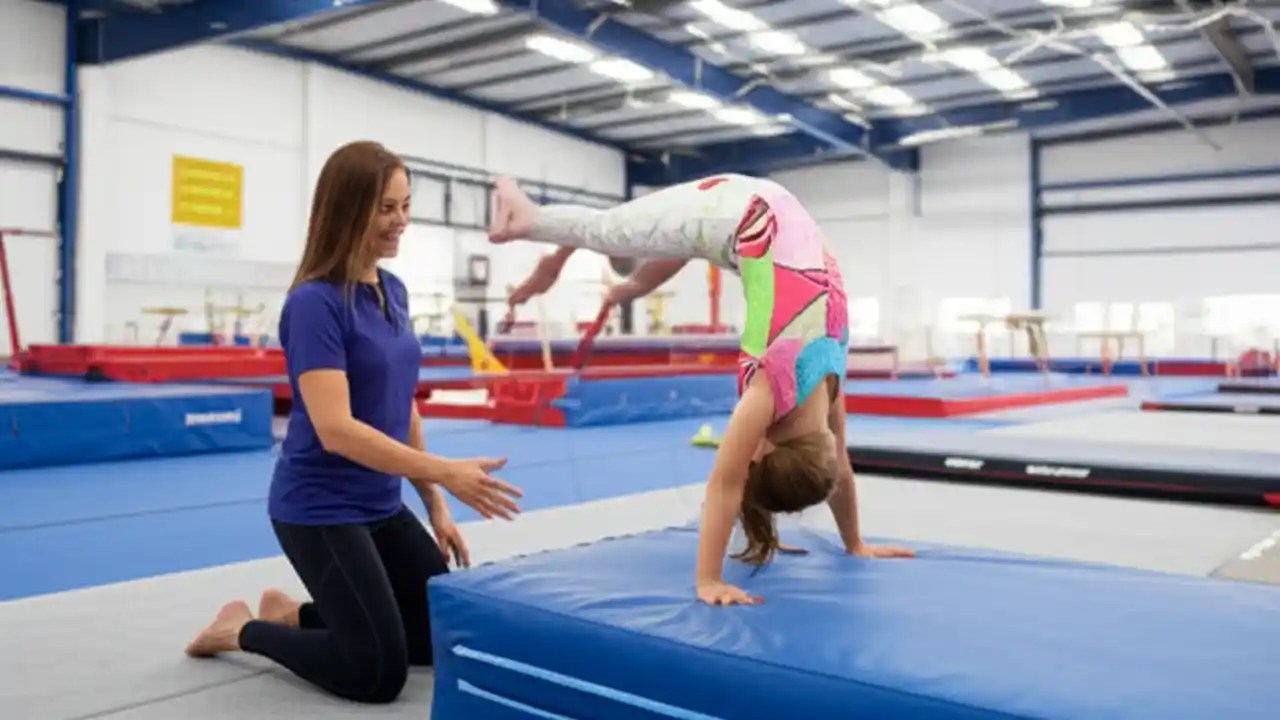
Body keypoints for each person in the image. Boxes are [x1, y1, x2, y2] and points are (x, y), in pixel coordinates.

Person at [184, 141, 523, 704]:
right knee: (377, 673)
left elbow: (403, 403)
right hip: (320, 508)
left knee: (437, 641)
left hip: (382, 506)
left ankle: (297, 614)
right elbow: (336, 429)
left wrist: (435, 504)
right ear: (347, 210)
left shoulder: (393, 291)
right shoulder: (314, 303)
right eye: (386, 209)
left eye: (406, 206)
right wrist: (447, 470)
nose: (401, 222)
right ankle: (241, 629)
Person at [489, 173, 912, 608]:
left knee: (674, 236)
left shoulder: (830, 380)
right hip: (742, 210)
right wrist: (708, 580)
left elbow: (839, 468)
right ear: (761, 452)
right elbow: (724, 486)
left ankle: (624, 278)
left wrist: (855, 543)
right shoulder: (769, 387)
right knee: (608, 231)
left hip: (760, 222)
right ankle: (525, 215)